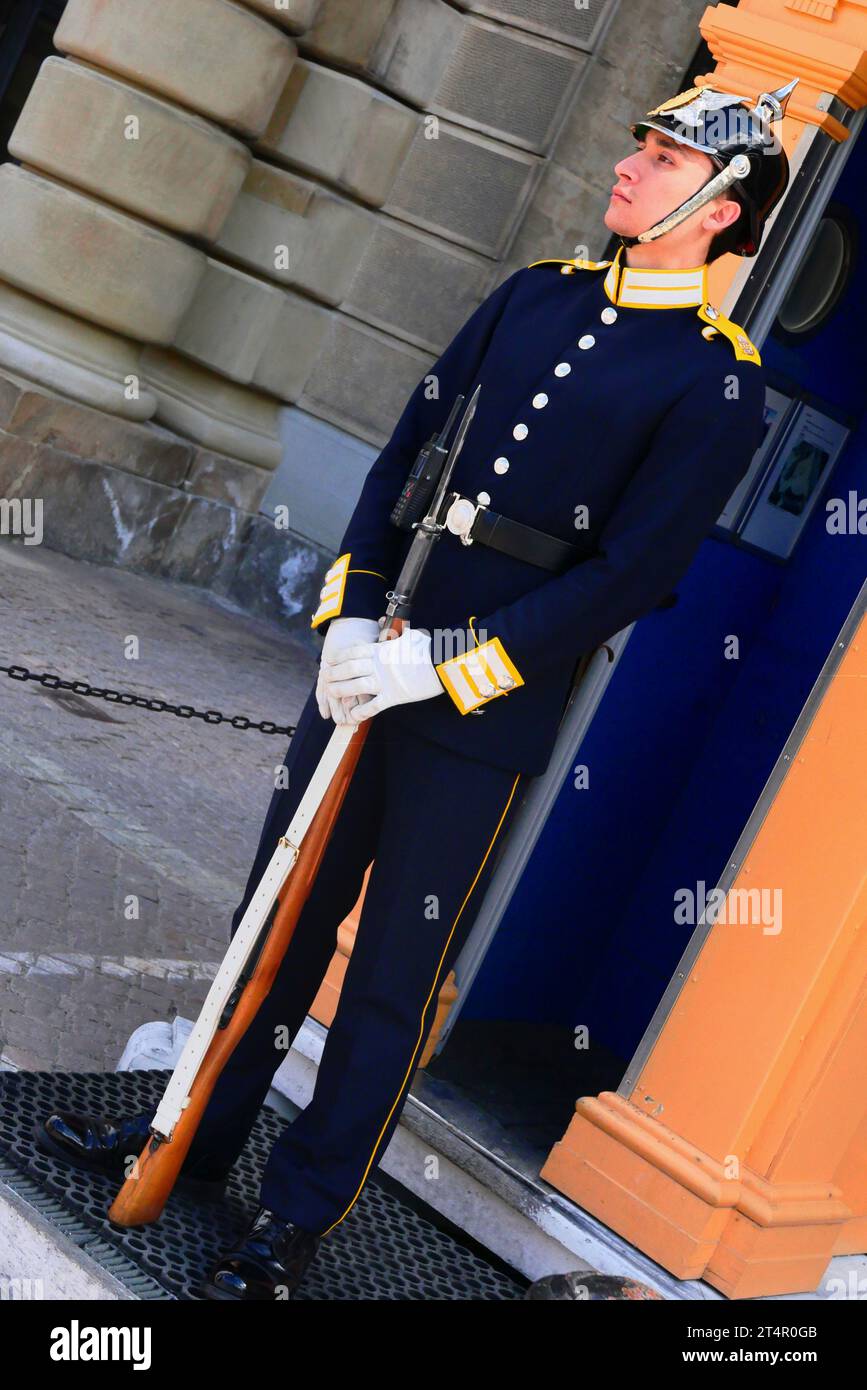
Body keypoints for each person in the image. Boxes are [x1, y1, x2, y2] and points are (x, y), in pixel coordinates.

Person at [35, 77, 798, 1300]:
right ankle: (183, 1134)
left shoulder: (715, 382)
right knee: (273, 920)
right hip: (367, 658)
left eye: (661, 159)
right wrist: (350, 613)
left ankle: (293, 1221)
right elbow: (409, 448)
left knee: (389, 977)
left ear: (718, 206)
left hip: (482, 709)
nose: (630, 166)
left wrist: (444, 665)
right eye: (640, 145)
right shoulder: (535, 293)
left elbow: (629, 579)